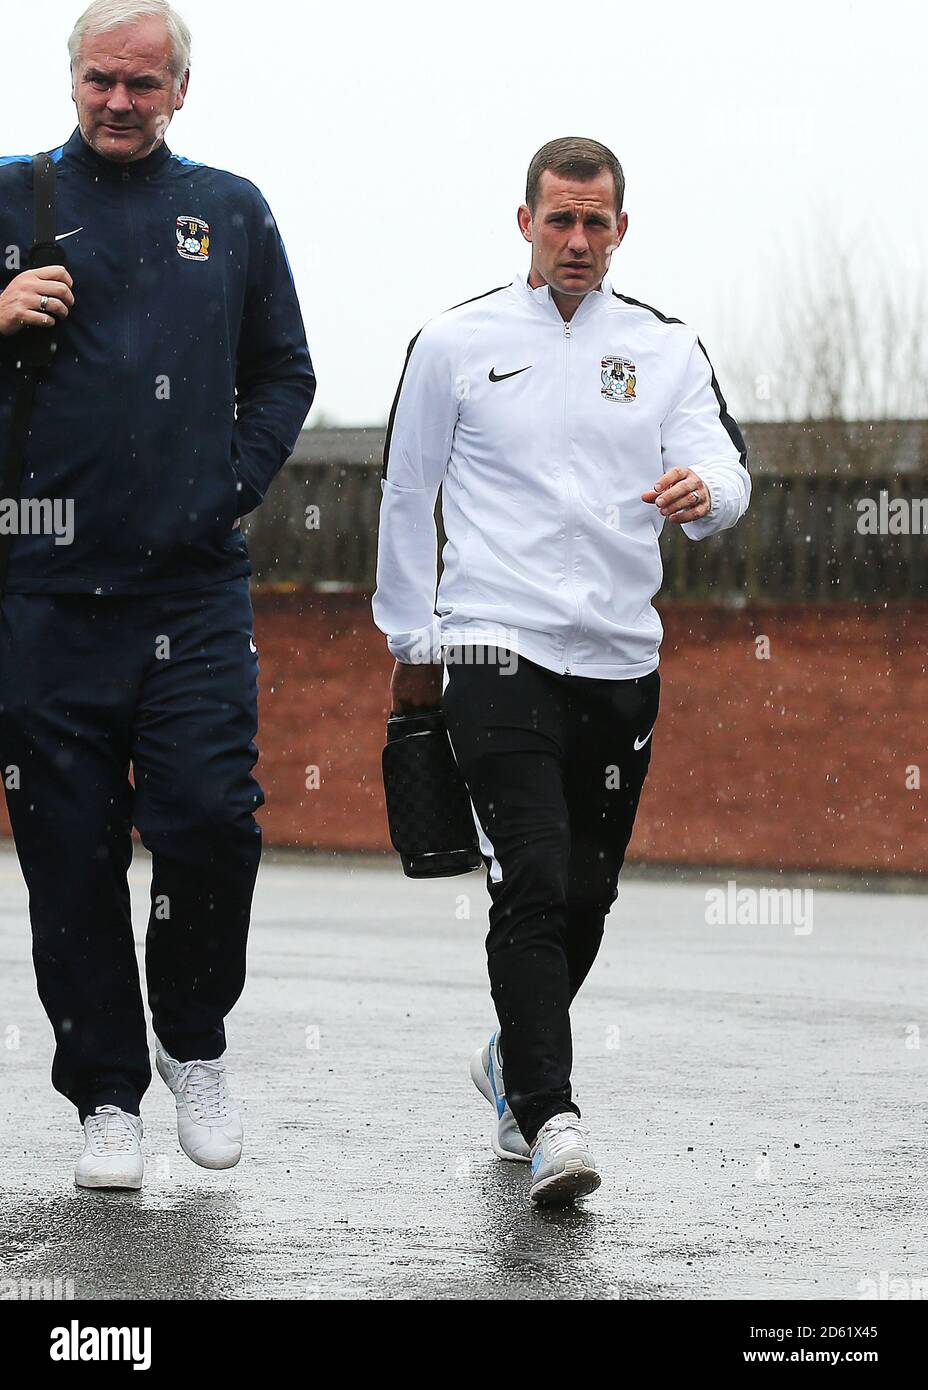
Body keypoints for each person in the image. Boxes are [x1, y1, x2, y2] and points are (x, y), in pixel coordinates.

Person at [372, 136, 750, 1204]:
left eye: (596, 222)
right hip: (494, 644)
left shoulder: (667, 348)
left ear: (620, 230)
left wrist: (704, 495)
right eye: (559, 220)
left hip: (622, 658)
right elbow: (407, 496)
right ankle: (551, 1118)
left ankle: (508, 1057)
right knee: (530, 875)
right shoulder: (453, 342)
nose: (576, 240)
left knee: (587, 891)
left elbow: (725, 466)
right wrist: (412, 646)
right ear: (525, 222)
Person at [0, 0, 315, 1189]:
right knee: (68, 855)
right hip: (39, 588)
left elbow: (285, 369)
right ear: (70, 80)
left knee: (211, 821)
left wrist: (228, 485)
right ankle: (105, 1098)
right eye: (99, 80)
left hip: (188, 592)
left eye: (142, 83)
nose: (118, 101)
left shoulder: (230, 211)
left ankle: (192, 1036)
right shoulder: (10, 195)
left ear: (181, 90)